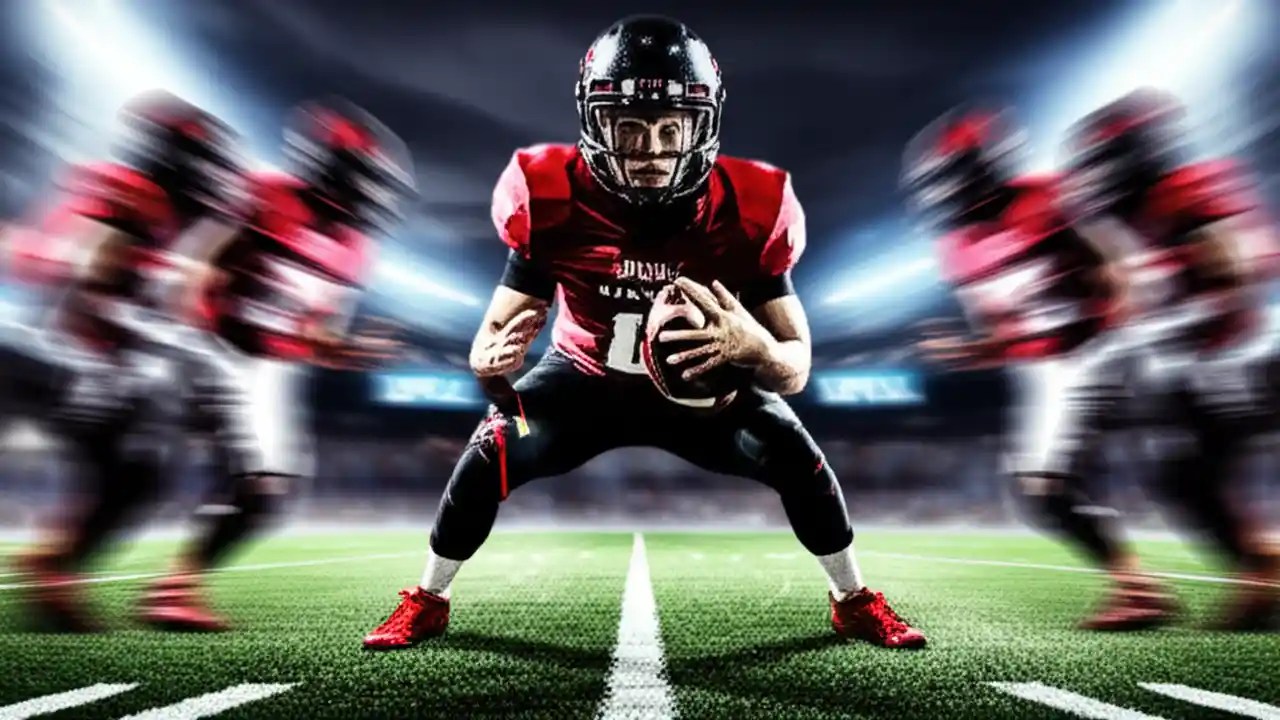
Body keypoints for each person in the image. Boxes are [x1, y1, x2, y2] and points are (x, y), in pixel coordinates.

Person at [363, 15, 926, 651]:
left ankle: (852, 600)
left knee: (799, 455)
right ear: (594, 123)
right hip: (582, 380)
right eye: (628, 127)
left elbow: (795, 368)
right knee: (491, 444)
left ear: (702, 125)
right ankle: (429, 599)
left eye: (669, 128)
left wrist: (756, 348)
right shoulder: (548, 196)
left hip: (702, 391)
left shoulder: (752, 208)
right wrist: (489, 365)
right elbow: (491, 338)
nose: (651, 149)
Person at [145, 98, 415, 630]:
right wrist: (194, 330)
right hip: (221, 344)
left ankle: (176, 586)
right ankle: (169, 586)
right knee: (240, 476)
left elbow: (316, 332)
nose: (374, 195)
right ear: (336, 170)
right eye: (366, 179)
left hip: (271, 367)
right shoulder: (267, 195)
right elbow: (198, 261)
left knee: (273, 494)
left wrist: (347, 351)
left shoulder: (355, 246)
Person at [904, 105, 1178, 630]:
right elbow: (1005, 334)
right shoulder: (957, 248)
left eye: (951, 178)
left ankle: (1140, 588)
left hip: (1091, 348)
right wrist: (969, 352)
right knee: (1038, 493)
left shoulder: (1047, 199)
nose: (943, 193)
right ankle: (1140, 586)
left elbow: (1118, 265)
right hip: (1045, 367)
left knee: (1058, 483)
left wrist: (1119, 318)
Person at [6, 90, 244, 631]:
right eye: (206, 168)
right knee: (139, 457)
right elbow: (90, 273)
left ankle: (54, 563)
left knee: (140, 468)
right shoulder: (133, 194)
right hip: (44, 347)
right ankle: (54, 563)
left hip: (60, 348)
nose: (212, 184)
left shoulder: (146, 207)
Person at [1061, 88, 1279, 629]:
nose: (1094, 181)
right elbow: (1140, 296)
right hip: (1209, 359)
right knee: (1180, 475)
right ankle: (1260, 565)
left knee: (1184, 471)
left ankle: (1260, 565)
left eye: (1102, 165)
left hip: (1249, 351)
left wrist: (1149, 330)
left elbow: (1234, 273)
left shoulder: (1186, 190)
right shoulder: (1134, 220)